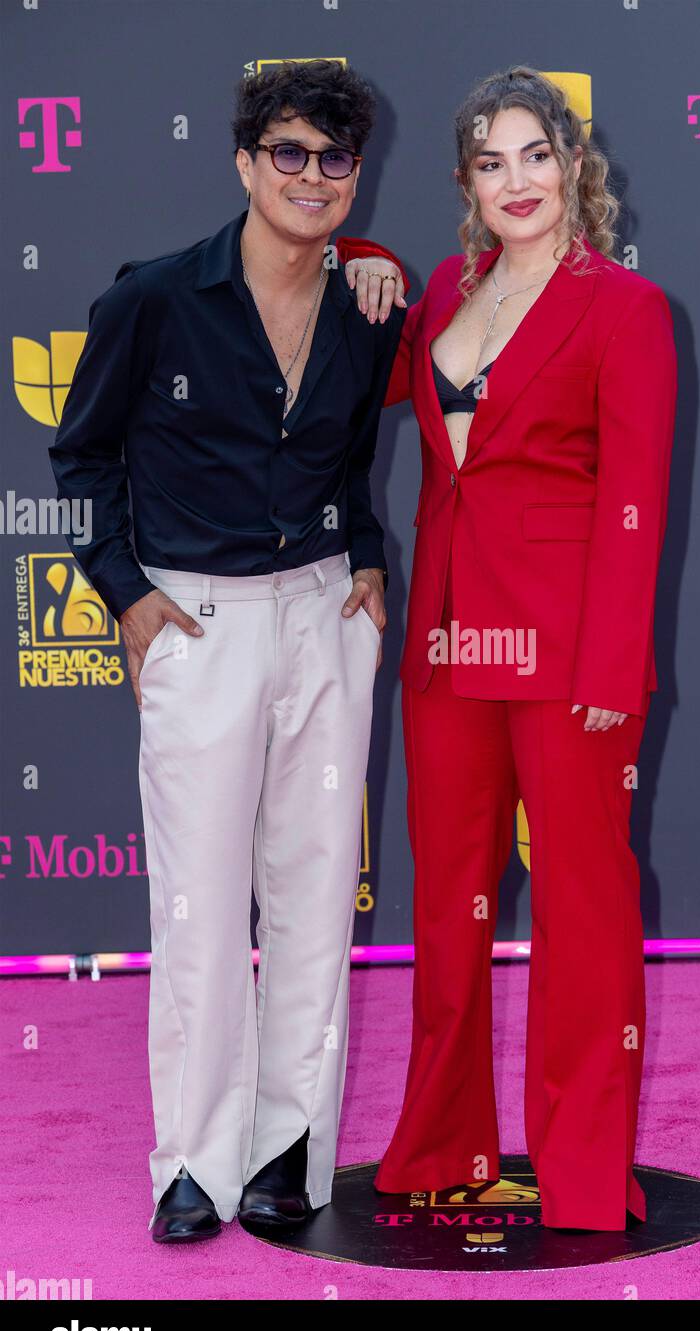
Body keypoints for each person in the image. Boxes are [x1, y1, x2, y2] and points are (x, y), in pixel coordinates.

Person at [48, 60, 408, 1243]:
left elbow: (352, 463)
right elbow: (83, 454)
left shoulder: (369, 307)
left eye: (334, 158)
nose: (312, 177)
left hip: (321, 619)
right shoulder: (152, 300)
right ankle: (192, 1165)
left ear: (356, 175)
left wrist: (362, 555)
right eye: (290, 153)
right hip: (195, 622)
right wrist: (125, 596)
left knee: (313, 894)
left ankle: (286, 1156)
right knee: (200, 906)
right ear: (247, 163)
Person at [348, 66, 678, 1231]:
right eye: (492, 162)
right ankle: (441, 1143)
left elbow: (636, 505)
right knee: (448, 909)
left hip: (566, 651)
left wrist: (608, 671)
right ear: (467, 184)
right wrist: (357, 261)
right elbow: (368, 372)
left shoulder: (626, 310)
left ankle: (585, 1170)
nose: (517, 180)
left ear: (575, 165)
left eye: (536, 154)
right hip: (447, 640)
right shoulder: (446, 287)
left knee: (584, 914)